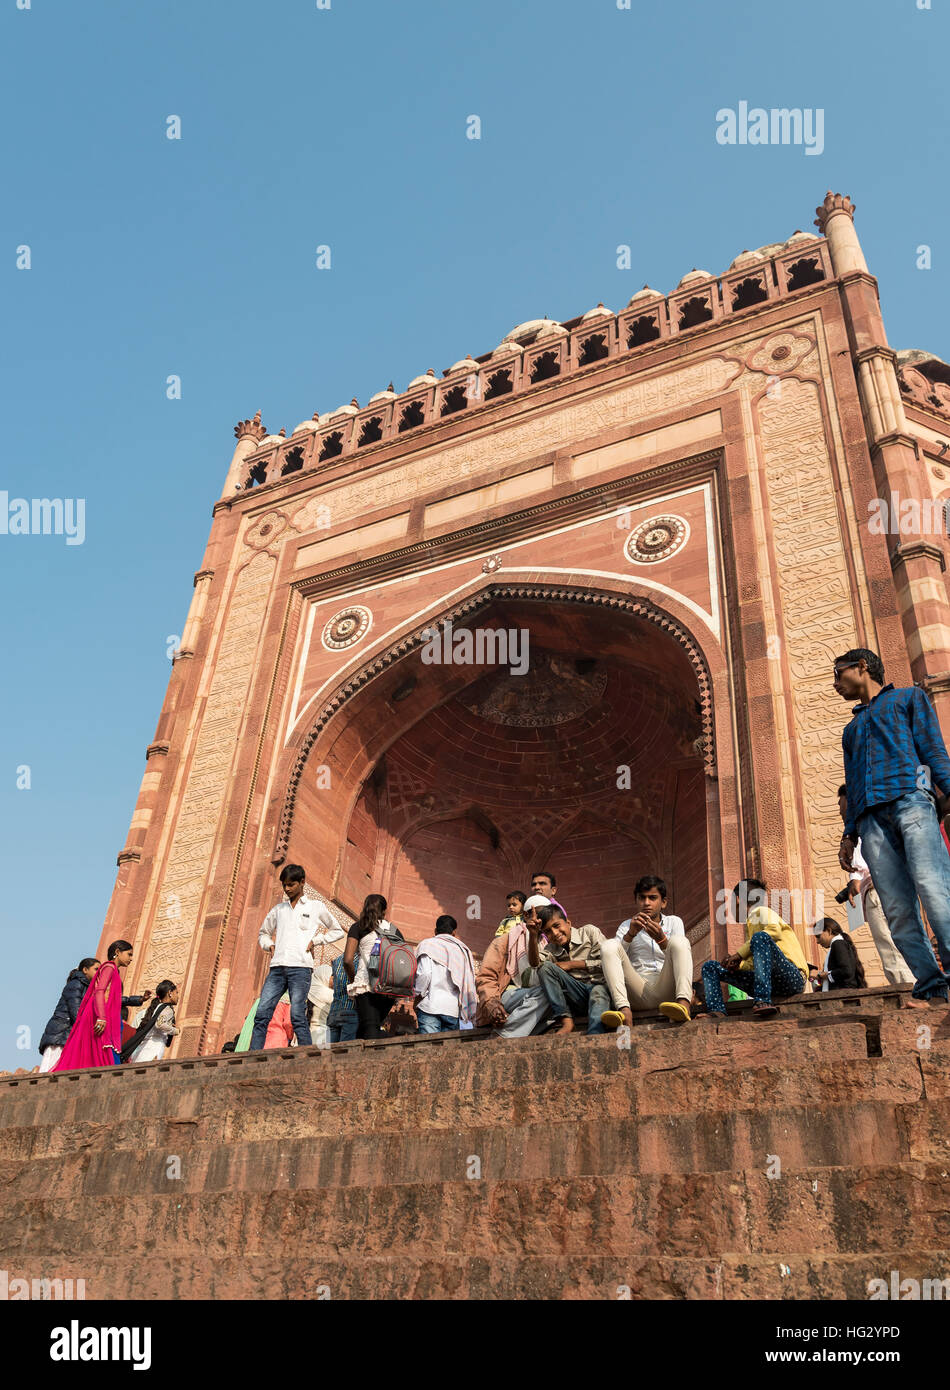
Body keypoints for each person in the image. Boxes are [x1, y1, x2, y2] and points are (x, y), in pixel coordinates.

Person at [835, 648, 950, 1006]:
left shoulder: (908, 698)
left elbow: (932, 750)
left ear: (862, 666)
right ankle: (931, 986)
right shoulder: (851, 729)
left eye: (839, 673)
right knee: (897, 910)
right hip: (871, 821)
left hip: (911, 801)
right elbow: (852, 784)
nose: (835, 683)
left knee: (933, 890)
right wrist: (848, 833)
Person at [250, 864, 339, 1050]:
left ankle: (306, 1054)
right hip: (277, 967)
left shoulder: (315, 907)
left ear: (302, 882)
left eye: (291, 884)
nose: (287, 889)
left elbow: (336, 930)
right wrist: (269, 945)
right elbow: (263, 933)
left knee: (297, 1014)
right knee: (262, 1013)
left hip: (301, 967)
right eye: (284, 885)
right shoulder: (279, 910)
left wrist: (317, 940)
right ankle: (253, 1054)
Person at [837, 784, 915, 987]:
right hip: (898, 888)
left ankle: (905, 989)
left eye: (841, 802)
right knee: (905, 939)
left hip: (876, 891)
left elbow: (858, 875)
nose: (839, 809)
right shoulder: (881, 820)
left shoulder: (860, 829)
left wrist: (853, 883)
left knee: (889, 945)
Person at [700, 880, 808, 1020]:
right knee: (710, 967)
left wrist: (739, 954)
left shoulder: (761, 912)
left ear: (738, 900)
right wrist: (739, 965)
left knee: (760, 937)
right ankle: (717, 1010)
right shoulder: (752, 924)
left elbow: (774, 931)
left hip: (792, 979)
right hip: (771, 983)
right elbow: (758, 965)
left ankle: (762, 1000)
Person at [599, 876, 695, 1028]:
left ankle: (683, 1004)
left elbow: (680, 955)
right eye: (642, 898)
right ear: (636, 901)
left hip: (668, 989)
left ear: (663, 902)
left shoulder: (674, 921)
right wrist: (630, 935)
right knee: (609, 945)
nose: (646, 903)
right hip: (637, 992)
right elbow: (612, 959)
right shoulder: (626, 926)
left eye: (652, 898)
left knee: (680, 942)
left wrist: (662, 939)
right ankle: (624, 1012)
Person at [53, 940, 142, 1071]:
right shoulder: (109, 967)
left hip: (109, 1017)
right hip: (103, 1017)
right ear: (117, 952)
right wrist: (101, 1017)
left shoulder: (114, 971)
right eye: (129, 954)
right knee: (101, 1055)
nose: (131, 958)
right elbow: (100, 991)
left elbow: (113, 998)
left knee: (104, 1055)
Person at [476, 894, 552, 1037]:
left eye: (547, 915)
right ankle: (504, 1035)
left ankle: (511, 1029)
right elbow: (485, 977)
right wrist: (492, 1003)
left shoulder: (549, 943)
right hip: (507, 996)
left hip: (537, 1000)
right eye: (539, 914)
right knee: (547, 992)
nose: (541, 919)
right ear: (525, 915)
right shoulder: (505, 941)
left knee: (554, 993)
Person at [529, 905, 612, 1035]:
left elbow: (610, 964)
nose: (555, 933)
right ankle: (566, 1020)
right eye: (548, 932)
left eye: (557, 926)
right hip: (576, 997)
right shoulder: (551, 949)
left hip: (601, 989)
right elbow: (535, 964)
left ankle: (595, 1034)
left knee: (598, 991)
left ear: (568, 923)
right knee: (544, 968)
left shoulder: (589, 933)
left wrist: (572, 964)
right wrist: (533, 935)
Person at [343, 894, 405, 1039]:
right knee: (367, 1027)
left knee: (370, 1030)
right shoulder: (394, 930)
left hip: (366, 985)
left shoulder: (358, 926)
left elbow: (347, 960)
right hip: (389, 988)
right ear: (384, 912)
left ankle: (394, 1044)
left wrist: (354, 981)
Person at [414, 915, 478, 1033]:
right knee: (447, 1050)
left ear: (435, 930)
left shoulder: (428, 945)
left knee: (428, 1048)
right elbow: (468, 983)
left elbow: (425, 974)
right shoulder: (461, 951)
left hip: (430, 1006)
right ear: (454, 932)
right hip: (452, 1010)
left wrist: (417, 996)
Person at [38, 957, 99, 1072]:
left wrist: (136, 1000)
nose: (98, 973)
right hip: (60, 1033)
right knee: (49, 1067)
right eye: (96, 969)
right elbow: (75, 1011)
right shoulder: (76, 984)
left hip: (67, 1032)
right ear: (85, 970)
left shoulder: (87, 987)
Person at [121, 981, 180, 1062]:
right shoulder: (167, 1009)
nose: (178, 996)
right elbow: (159, 1024)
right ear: (170, 993)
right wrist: (175, 1031)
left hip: (142, 1050)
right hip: (154, 1049)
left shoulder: (156, 1008)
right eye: (176, 992)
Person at [815, 918, 867, 992]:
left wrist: (823, 975)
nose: (817, 941)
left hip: (844, 993)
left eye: (818, 936)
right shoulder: (838, 944)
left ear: (829, 931)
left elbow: (846, 971)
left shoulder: (838, 944)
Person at [326, 954, 359, 1043]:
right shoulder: (361, 960)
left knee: (330, 1052)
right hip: (350, 1009)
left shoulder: (337, 960)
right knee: (344, 1053)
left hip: (334, 1010)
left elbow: (332, 983)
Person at [308, 965, 334, 1048]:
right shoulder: (331, 994)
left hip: (306, 1035)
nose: (334, 981)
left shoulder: (309, 989)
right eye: (332, 978)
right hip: (322, 1036)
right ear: (324, 976)